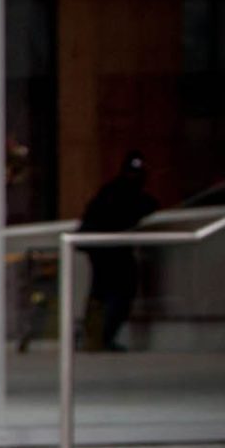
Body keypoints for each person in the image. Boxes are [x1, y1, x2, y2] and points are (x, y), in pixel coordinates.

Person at [78, 150, 157, 351]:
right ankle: (98, 338)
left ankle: (93, 338)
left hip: (103, 247)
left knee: (101, 293)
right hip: (107, 247)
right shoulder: (118, 192)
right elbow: (136, 209)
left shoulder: (113, 191)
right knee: (116, 293)